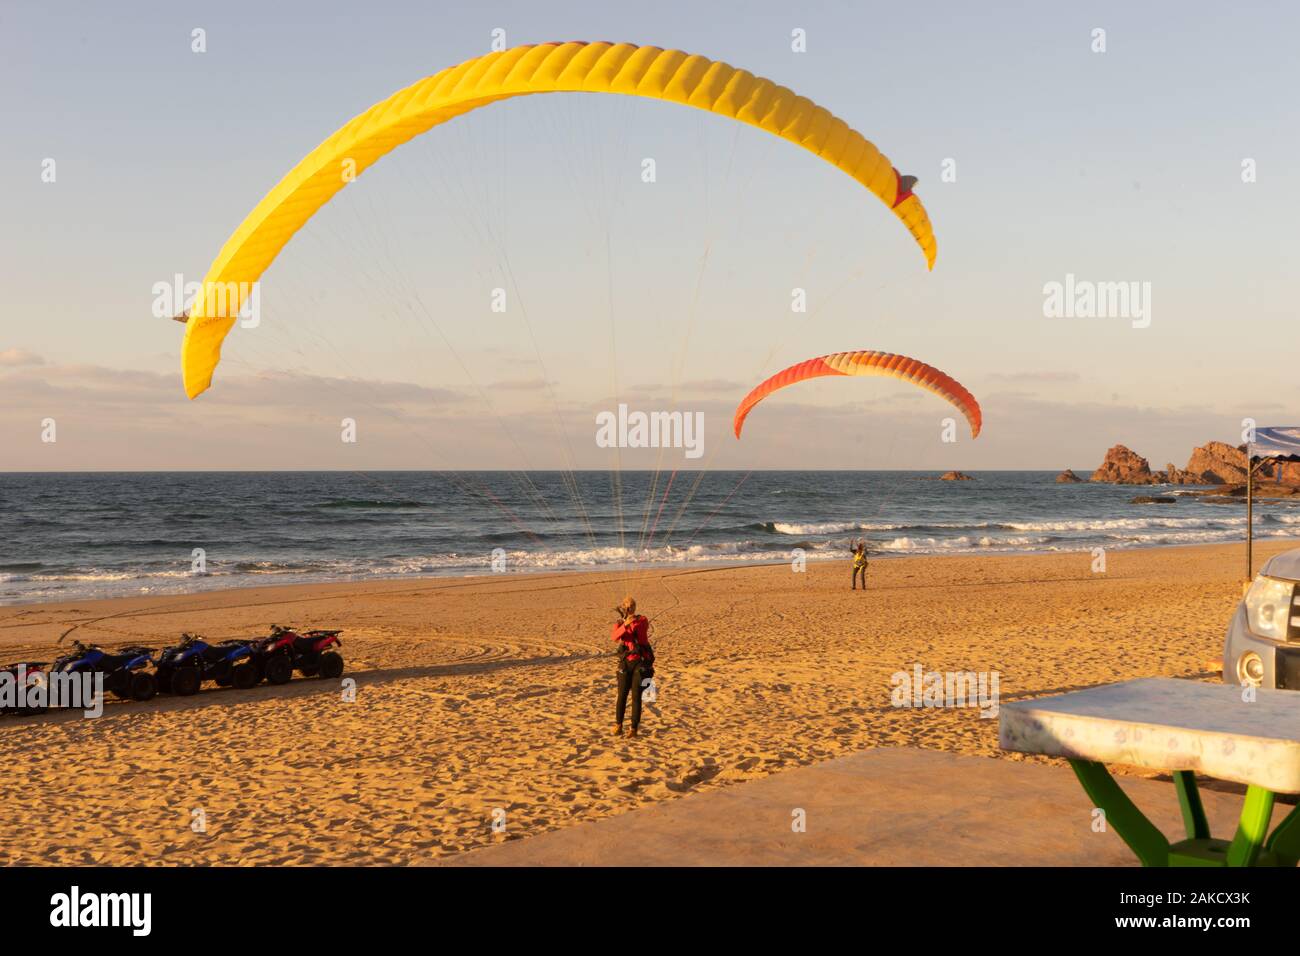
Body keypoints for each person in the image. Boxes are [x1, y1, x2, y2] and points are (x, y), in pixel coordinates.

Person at [611, 595, 653, 739]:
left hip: (640, 662)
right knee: (622, 695)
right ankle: (618, 725)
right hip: (626, 662)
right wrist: (625, 624)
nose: (631, 608)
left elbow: (641, 634)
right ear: (624, 607)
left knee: (636, 696)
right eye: (628, 606)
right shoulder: (619, 623)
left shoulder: (642, 620)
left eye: (632, 605)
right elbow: (615, 637)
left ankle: (633, 728)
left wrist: (630, 622)